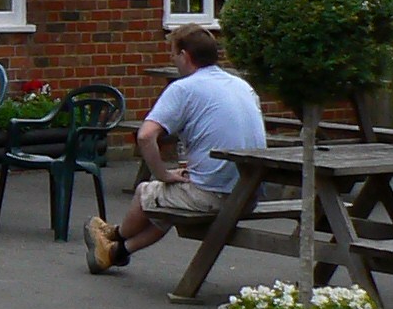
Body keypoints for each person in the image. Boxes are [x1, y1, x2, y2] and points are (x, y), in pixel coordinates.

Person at [87, 24, 268, 274]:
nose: (173, 60)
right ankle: (118, 252)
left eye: (173, 53)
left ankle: (112, 236)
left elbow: (146, 136)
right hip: (249, 194)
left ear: (185, 56)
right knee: (169, 198)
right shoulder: (241, 85)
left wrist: (162, 174)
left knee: (146, 192)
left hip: (215, 197)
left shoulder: (184, 88)